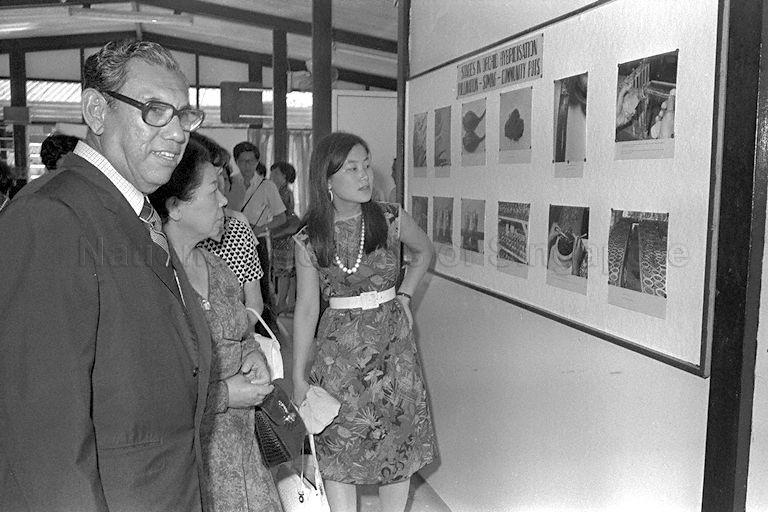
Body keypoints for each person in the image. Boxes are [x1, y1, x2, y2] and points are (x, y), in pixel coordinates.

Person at [0, 39, 212, 512]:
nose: (177, 133)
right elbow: (45, 436)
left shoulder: (130, 209)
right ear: (97, 111)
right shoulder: (52, 217)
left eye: (184, 115)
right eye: (155, 110)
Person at [292, 132, 438, 512]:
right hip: (339, 352)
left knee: (397, 438)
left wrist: (404, 293)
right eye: (352, 168)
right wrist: (297, 378)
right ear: (327, 179)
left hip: (393, 347)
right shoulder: (309, 239)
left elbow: (424, 252)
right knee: (340, 442)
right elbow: (307, 308)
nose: (364, 176)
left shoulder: (390, 219)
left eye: (367, 166)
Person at [149, 137, 281, 512]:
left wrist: (254, 354)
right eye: (213, 190)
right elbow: (151, 388)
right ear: (175, 206)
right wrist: (225, 394)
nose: (224, 201)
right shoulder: (153, 280)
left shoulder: (218, 269)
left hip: (244, 452)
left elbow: (242, 332)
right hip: (192, 462)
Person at [193, 132, 266, 330]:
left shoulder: (237, 228)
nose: (222, 191)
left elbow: (254, 302)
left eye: (222, 177)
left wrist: (233, 340)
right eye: (213, 181)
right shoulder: (162, 237)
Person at [234, 141, 286, 325]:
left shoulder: (267, 186)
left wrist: (261, 229)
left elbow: (281, 218)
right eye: (242, 161)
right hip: (232, 242)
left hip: (259, 242)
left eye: (251, 161)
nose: (247, 165)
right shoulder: (230, 183)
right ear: (236, 162)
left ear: (257, 162)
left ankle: (265, 328)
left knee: (261, 286)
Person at [269, 161, 300, 316]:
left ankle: (281, 303)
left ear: (284, 176)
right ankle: (288, 303)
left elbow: (278, 215)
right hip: (284, 234)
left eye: (276, 174)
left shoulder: (283, 193)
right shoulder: (284, 191)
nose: (272, 176)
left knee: (284, 272)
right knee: (287, 272)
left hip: (283, 235)